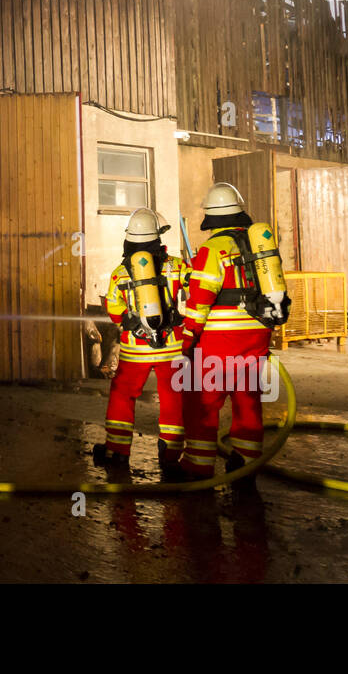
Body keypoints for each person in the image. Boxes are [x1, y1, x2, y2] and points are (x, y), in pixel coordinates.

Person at [178, 182, 271, 479]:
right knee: (247, 400)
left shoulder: (212, 249)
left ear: (212, 218)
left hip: (221, 339)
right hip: (257, 334)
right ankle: (245, 463)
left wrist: (188, 337)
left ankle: (199, 464)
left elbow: (199, 300)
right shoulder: (260, 245)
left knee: (203, 400)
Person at [91, 208, 190, 476]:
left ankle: (118, 452)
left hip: (136, 350)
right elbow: (194, 292)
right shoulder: (175, 265)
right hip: (172, 347)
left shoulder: (120, 272)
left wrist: (131, 320)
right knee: (173, 397)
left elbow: (114, 310)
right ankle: (170, 453)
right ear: (157, 236)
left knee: (123, 395)